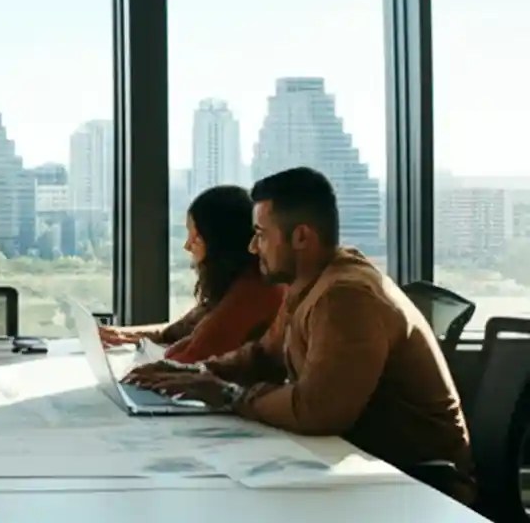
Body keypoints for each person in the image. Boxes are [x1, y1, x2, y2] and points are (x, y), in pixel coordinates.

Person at [125, 167, 475, 504]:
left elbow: (316, 411)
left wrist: (229, 395)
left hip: (418, 486)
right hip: (361, 463)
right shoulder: (310, 284)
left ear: (301, 237)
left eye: (260, 234)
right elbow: (263, 354)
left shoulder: (346, 296)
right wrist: (202, 372)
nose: (252, 248)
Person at [98, 185, 284, 363]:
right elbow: (177, 331)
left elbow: (192, 354)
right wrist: (119, 335)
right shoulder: (236, 285)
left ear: (219, 244)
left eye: (195, 238)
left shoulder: (250, 295)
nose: (187, 246)